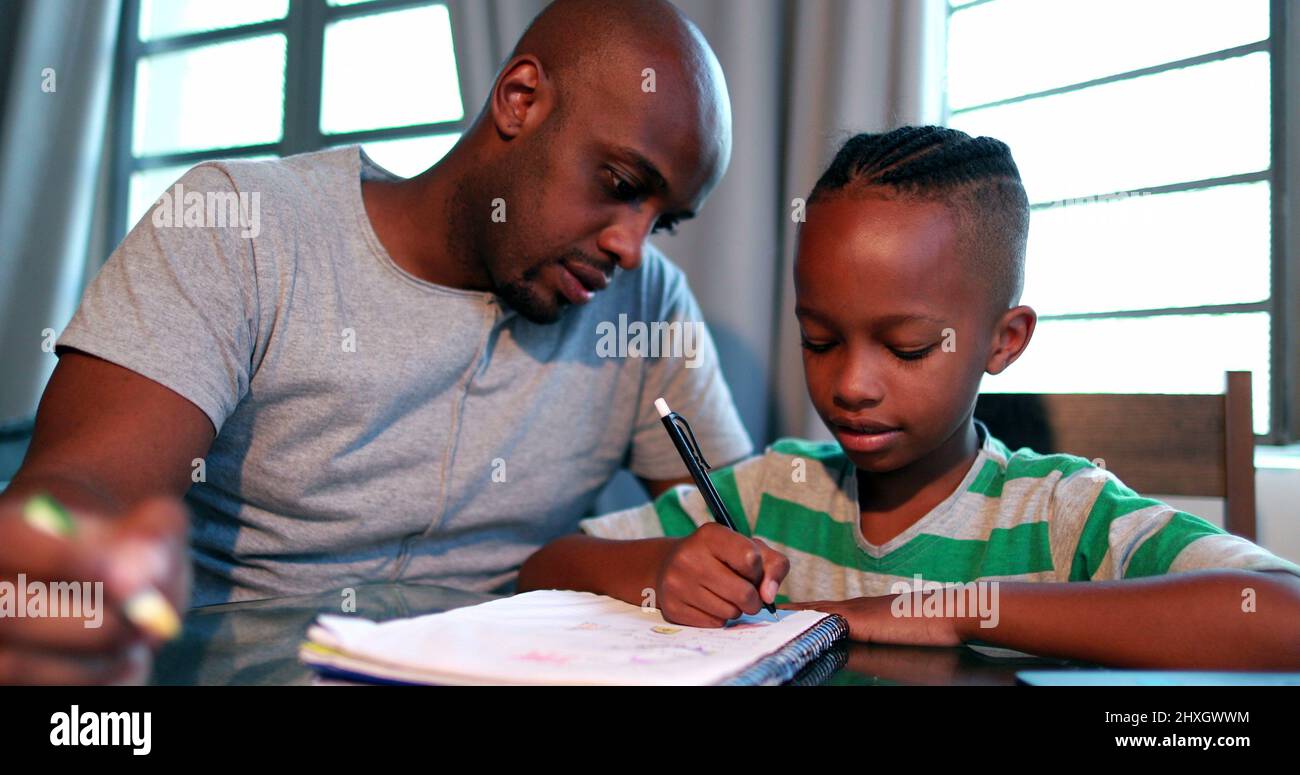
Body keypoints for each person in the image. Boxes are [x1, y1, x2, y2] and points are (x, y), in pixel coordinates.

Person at [0, 0, 751, 683]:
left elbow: (747, 518)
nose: (632, 246)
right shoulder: (239, 229)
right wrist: (74, 560)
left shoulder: (645, 303)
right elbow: (83, 488)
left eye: (664, 220)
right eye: (620, 183)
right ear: (521, 100)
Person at [518, 126, 1300, 669]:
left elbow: (1281, 616)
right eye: (819, 339)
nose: (851, 385)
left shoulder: (1060, 514)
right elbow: (543, 568)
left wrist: (955, 610)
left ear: (1004, 340)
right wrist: (666, 564)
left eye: (909, 347)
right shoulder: (771, 490)